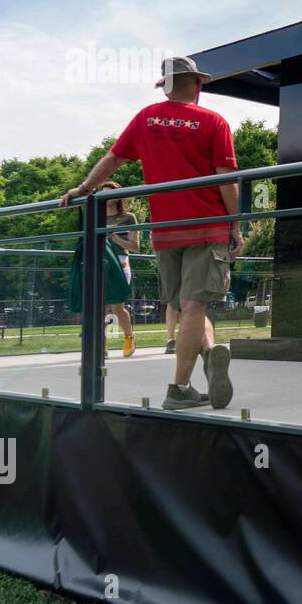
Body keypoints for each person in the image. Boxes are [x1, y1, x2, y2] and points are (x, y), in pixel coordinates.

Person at [62, 56, 243, 410]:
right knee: (195, 304)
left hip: (165, 228)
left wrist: (84, 188)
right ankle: (179, 389)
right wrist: (236, 225)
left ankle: (208, 355)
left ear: (166, 86)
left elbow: (113, 159)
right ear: (195, 84)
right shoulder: (214, 121)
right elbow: (226, 178)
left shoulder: (147, 117)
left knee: (186, 304)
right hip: (206, 225)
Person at [101, 181, 140, 357]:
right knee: (99, 306)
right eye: (103, 194)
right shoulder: (96, 216)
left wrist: (115, 238)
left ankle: (129, 337)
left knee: (117, 307)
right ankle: (101, 343)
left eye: (110, 193)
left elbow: (135, 246)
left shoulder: (128, 217)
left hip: (120, 261)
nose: (107, 198)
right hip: (101, 262)